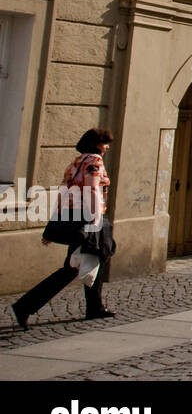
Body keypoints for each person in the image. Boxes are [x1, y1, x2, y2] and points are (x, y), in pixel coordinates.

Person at [12, 129, 117, 328]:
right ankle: (24, 306)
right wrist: (95, 219)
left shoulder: (75, 163)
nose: (107, 146)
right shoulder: (94, 161)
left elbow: (63, 194)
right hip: (88, 218)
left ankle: (95, 307)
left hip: (73, 218)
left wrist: (53, 226)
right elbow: (93, 189)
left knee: (95, 258)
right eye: (105, 142)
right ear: (96, 143)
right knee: (72, 268)